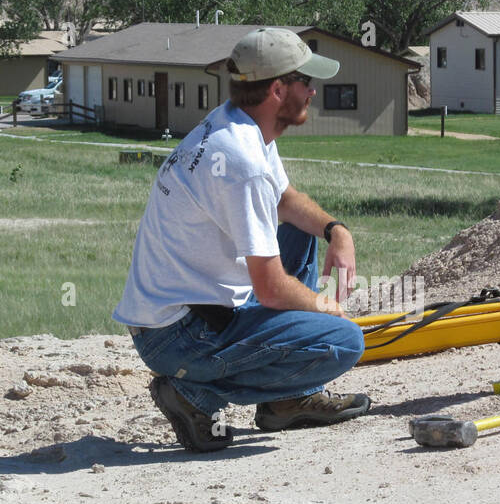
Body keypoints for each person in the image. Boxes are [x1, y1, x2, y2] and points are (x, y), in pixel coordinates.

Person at [114, 27, 370, 451]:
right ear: (276, 90)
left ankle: (287, 401)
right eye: (305, 82)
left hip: (180, 314)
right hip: (177, 337)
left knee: (299, 232)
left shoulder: (239, 124)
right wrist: (328, 309)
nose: (313, 92)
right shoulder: (240, 160)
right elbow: (269, 289)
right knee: (343, 341)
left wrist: (336, 231)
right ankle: (195, 394)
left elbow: (285, 201)